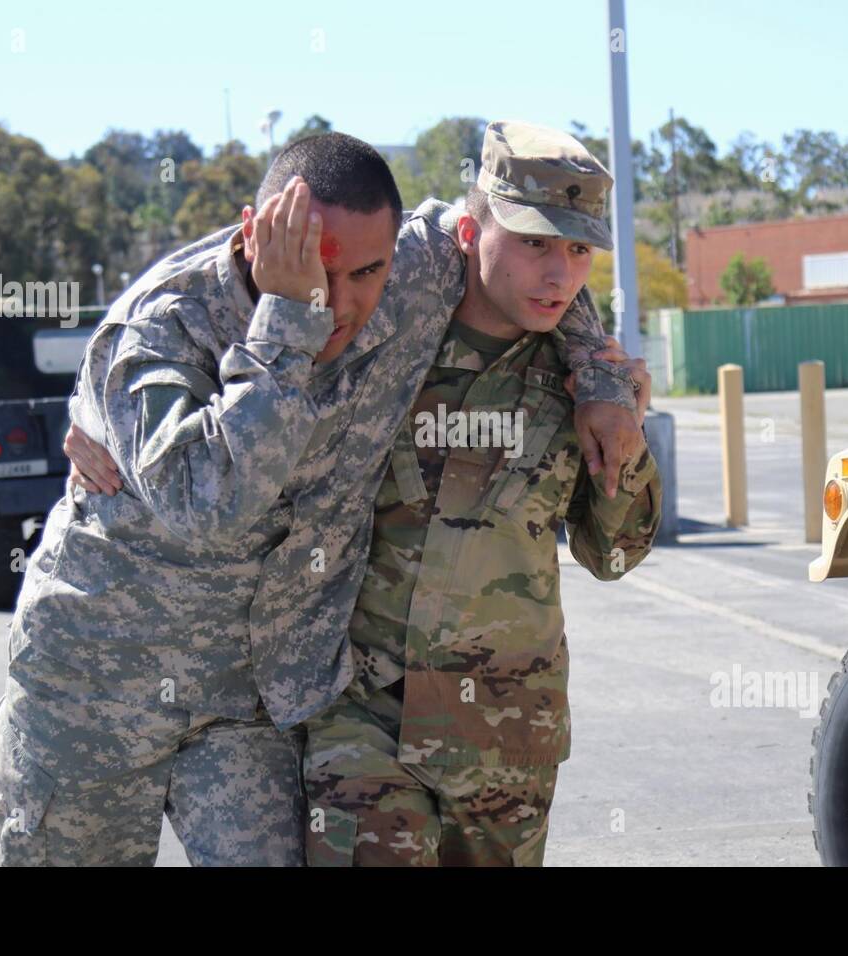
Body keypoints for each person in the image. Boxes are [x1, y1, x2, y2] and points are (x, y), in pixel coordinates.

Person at [0, 131, 639, 865]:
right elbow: (208, 505)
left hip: (251, 702)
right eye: (319, 272)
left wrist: (603, 378)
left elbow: (538, 252)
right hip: (99, 682)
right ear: (258, 237)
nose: (343, 303)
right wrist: (284, 326)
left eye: (367, 272)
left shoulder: (414, 268)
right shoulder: (170, 325)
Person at [300, 120, 662, 866]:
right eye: (534, 243)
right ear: (470, 230)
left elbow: (615, 555)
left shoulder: (585, 384)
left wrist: (624, 449)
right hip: (364, 719)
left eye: (577, 251)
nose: (558, 274)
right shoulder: (381, 342)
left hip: (504, 743)